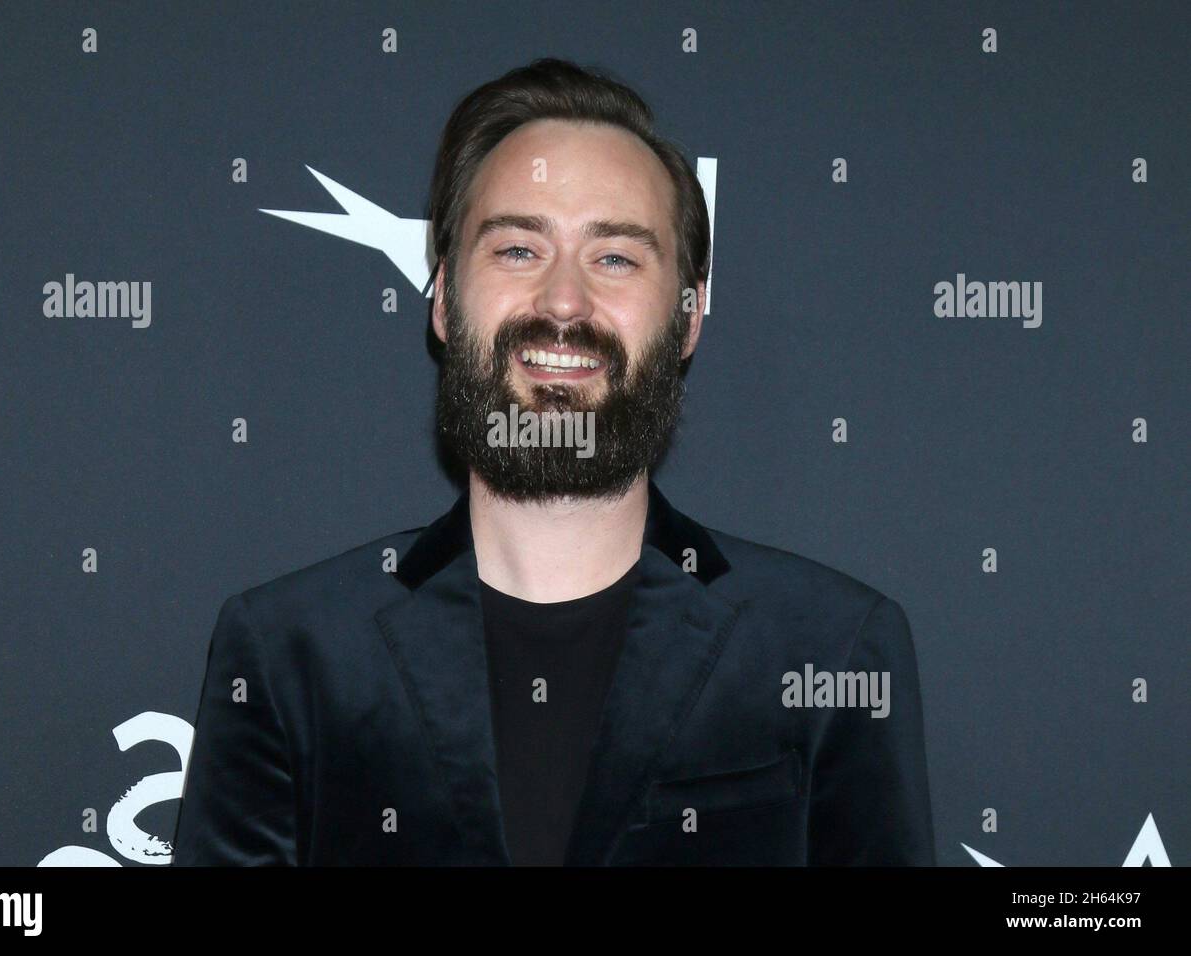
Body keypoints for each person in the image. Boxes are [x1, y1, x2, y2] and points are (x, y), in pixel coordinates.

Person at [171, 57, 936, 866]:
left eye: (615, 258)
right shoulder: (292, 652)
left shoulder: (830, 648)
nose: (564, 303)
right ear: (441, 300)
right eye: (516, 249)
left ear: (688, 319)